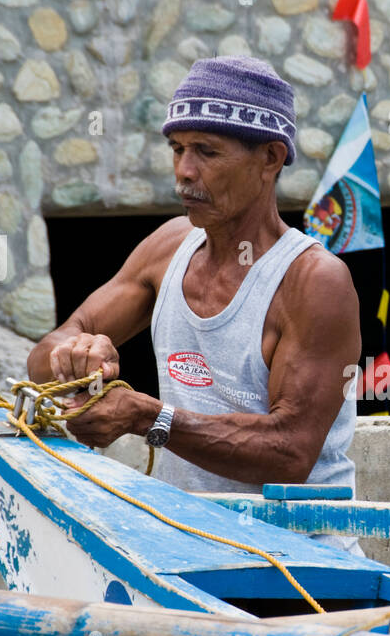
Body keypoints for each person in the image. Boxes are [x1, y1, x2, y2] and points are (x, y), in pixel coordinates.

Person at [26, 56, 364, 556]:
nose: (184, 172)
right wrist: (74, 356)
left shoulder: (314, 280)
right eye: (177, 149)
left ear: (270, 159)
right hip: (190, 553)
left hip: (300, 569)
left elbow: (290, 450)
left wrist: (148, 417)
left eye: (207, 151)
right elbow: (47, 350)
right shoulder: (168, 246)